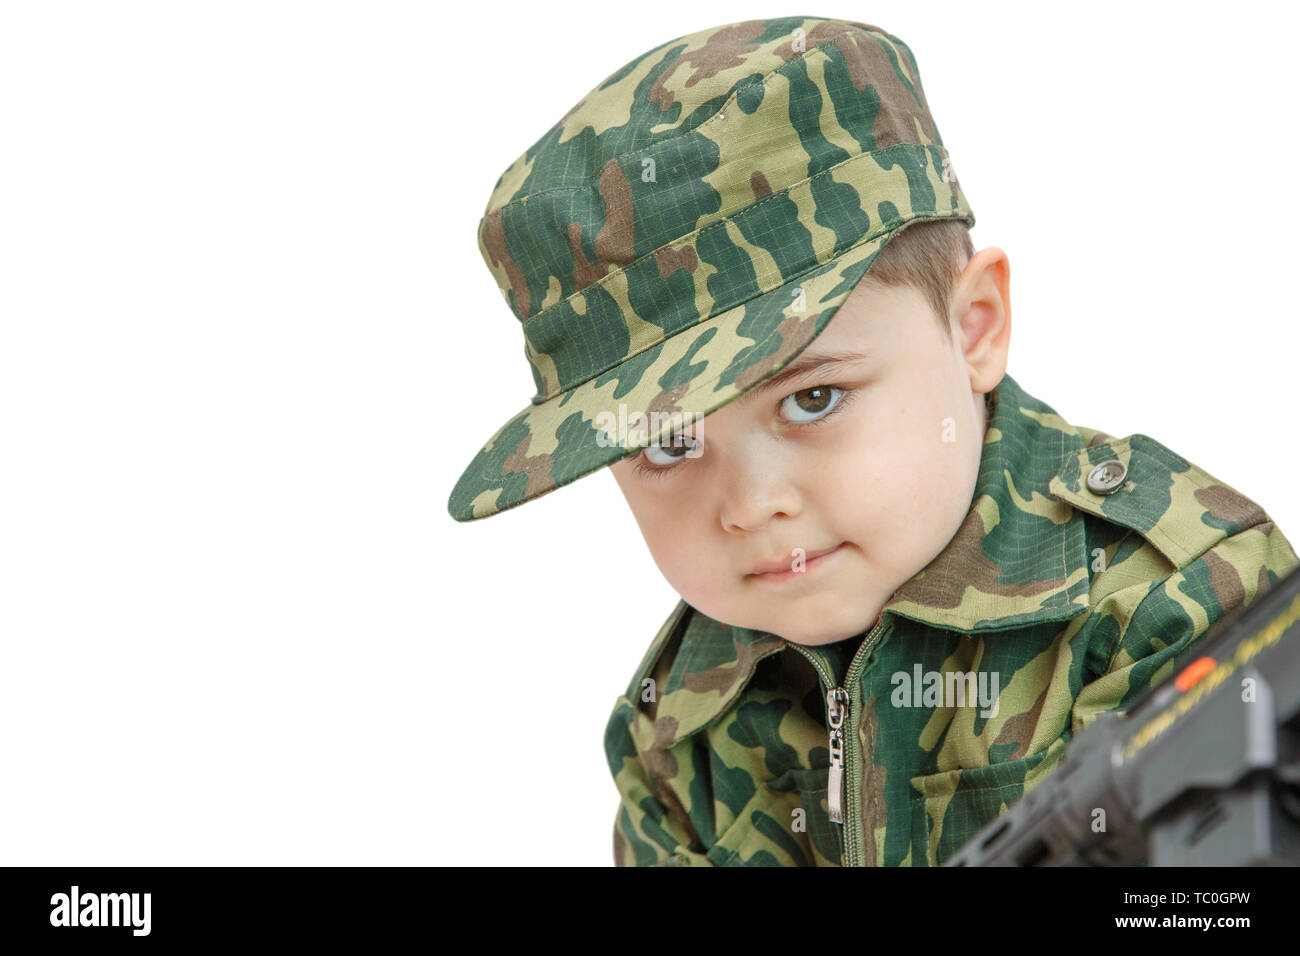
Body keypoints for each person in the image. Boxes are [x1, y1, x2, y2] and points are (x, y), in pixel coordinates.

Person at [445, 15, 1299, 865]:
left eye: (813, 398)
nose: (750, 505)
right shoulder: (679, 732)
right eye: (666, 445)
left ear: (974, 329)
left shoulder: (1172, 600)